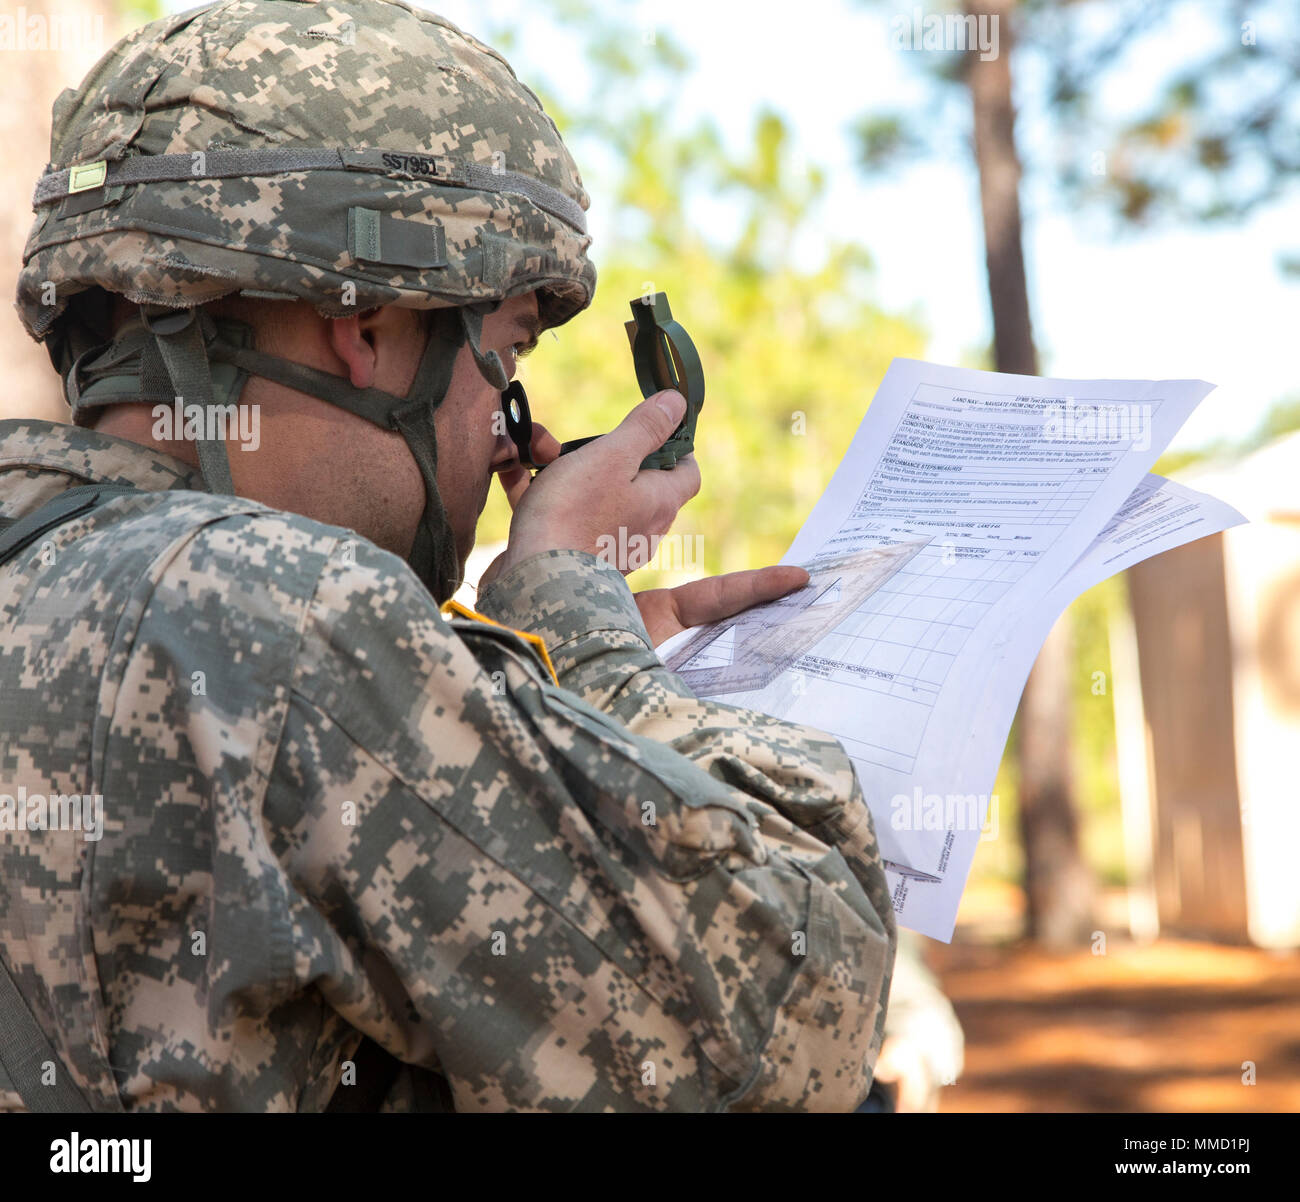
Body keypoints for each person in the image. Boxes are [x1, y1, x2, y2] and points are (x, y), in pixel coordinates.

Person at [0, 0, 895, 1112]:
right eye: (506, 351)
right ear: (368, 326)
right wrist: (584, 639)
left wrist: (519, 683)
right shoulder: (285, 619)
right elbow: (808, 1008)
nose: (505, 425)